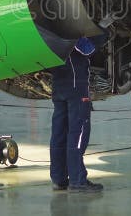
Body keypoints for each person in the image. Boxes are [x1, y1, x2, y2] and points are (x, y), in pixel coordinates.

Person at [50, 36, 103, 193]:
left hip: (58, 85)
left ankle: (59, 179)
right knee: (78, 134)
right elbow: (88, 49)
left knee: (58, 133)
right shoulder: (69, 29)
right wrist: (102, 33)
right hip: (76, 86)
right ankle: (78, 180)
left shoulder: (47, 32)